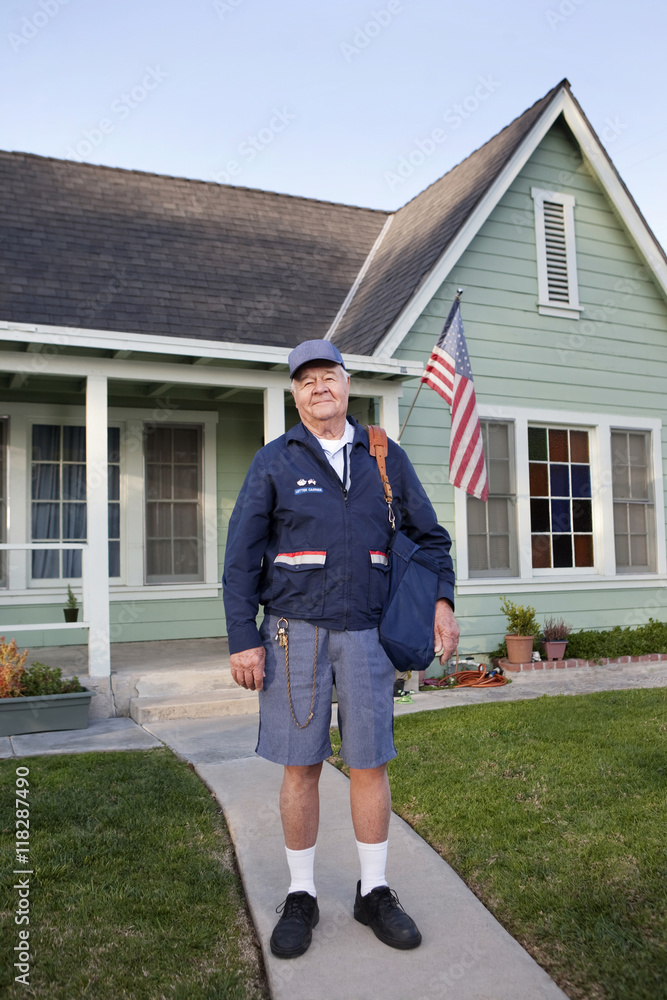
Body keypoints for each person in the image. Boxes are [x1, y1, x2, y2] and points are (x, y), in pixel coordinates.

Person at [223, 339, 459, 960]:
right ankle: (300, 895)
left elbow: (430, 538)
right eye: (306, 380)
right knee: (300, 765)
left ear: (346, 384)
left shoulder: (384, 456)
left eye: (328, 376)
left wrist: (442, 602)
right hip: (292, 635)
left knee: (369, 762)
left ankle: (373, 889)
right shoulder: (274, 461)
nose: (319, 387)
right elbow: (240, 560)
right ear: (294, 394)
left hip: (367, 636)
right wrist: (242, 639)